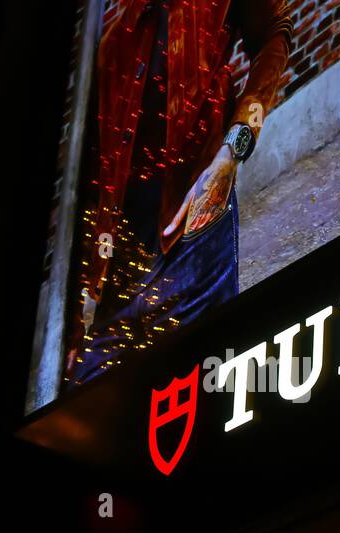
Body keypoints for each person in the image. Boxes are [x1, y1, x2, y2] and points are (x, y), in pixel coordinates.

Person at [67, 0, 292, 385]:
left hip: (195, 225)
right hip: (121, 269)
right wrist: (78, 319)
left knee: (200, 376)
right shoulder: (113, 44)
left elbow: (274, 38)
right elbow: (93, 190)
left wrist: (231, 152)